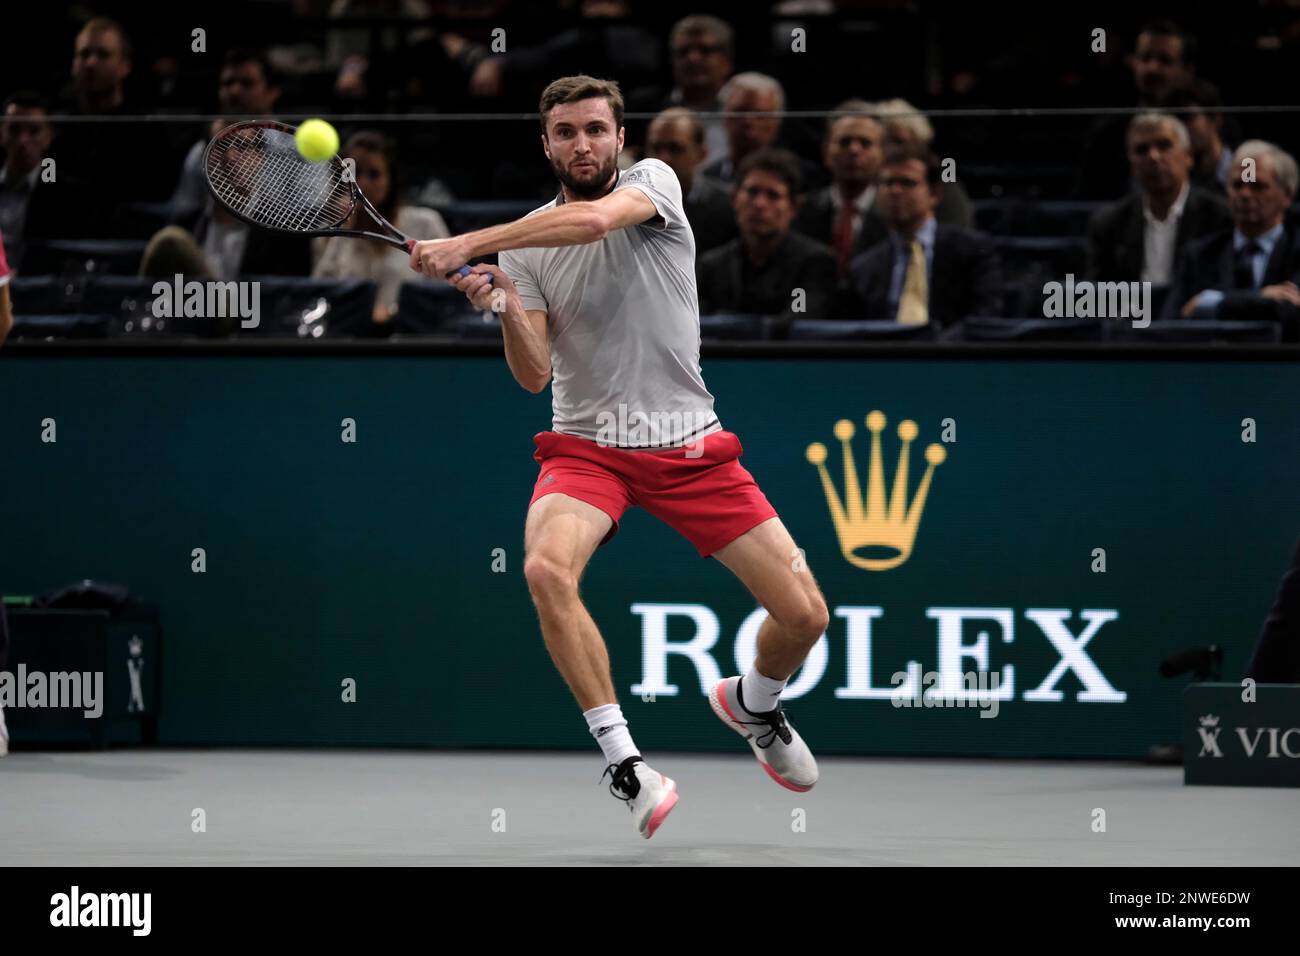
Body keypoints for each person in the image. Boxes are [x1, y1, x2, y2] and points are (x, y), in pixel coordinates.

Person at [408, 75, 828, 839]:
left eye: (595, 129)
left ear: (619, 138)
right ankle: (625, 762)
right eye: (565, 132)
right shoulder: (530, 245)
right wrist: (503, 302)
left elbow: (596, 223)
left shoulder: (652, 186)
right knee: (544, 569)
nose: (582, 144)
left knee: (804, 616)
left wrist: (471, 241)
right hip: (587, 449)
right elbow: (536, 372)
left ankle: (754, 705)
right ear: (547, 145)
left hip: (689, 447)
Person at [843, 143, 1001, 328]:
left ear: (934, 194)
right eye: (887, 183)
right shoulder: (863, 266)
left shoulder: (972, 251)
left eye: (907, 183)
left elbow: (985, 317)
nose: (895, 191)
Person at [312, 131, 449, 325]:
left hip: (412, 338)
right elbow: (320, 295)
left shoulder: (427, 224)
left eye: (374, 174)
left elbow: (443, 296)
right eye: (354, 174)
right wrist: (341, 233)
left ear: (391, 179)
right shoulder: (330, 232)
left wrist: (394, 315)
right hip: (347, 339)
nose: (362, 184)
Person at [696, 148, 837, 327]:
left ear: (793, 207)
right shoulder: (711, 267)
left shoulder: (812, 264)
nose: (760, 204)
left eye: (773, 195)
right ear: (734, 199)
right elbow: (699, 324)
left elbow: (800, 314)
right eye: (752, 192)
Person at [1162, 140, 1300, 322]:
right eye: (1237, 185)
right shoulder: (1200, 255)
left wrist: (1211, 301)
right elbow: (1172, 320)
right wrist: (1261, 298)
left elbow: (1289, 311)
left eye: (1257, 186)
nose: (1244, 195)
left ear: (1287, 195)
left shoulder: (1296, 250)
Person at [1086, 113, 1229, 288]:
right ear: (1131, 163)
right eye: (1141, 150)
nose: (1153, 156)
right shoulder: (1110, 222)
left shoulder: (1219, 216)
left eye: (1164, 146)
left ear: (1188, 156)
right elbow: (1097, 294)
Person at [793, 99, 888, 275]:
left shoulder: (894, 217)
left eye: (865, 143)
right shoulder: (800, 211)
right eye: (844, 142)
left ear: (883, 154)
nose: (854, 150)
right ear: (826, 152)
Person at [644, 107, 735, 254]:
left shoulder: (725, 207)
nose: (663, 158)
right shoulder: (635, 204)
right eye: (656, 148)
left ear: (701, 154)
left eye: (675, 149)